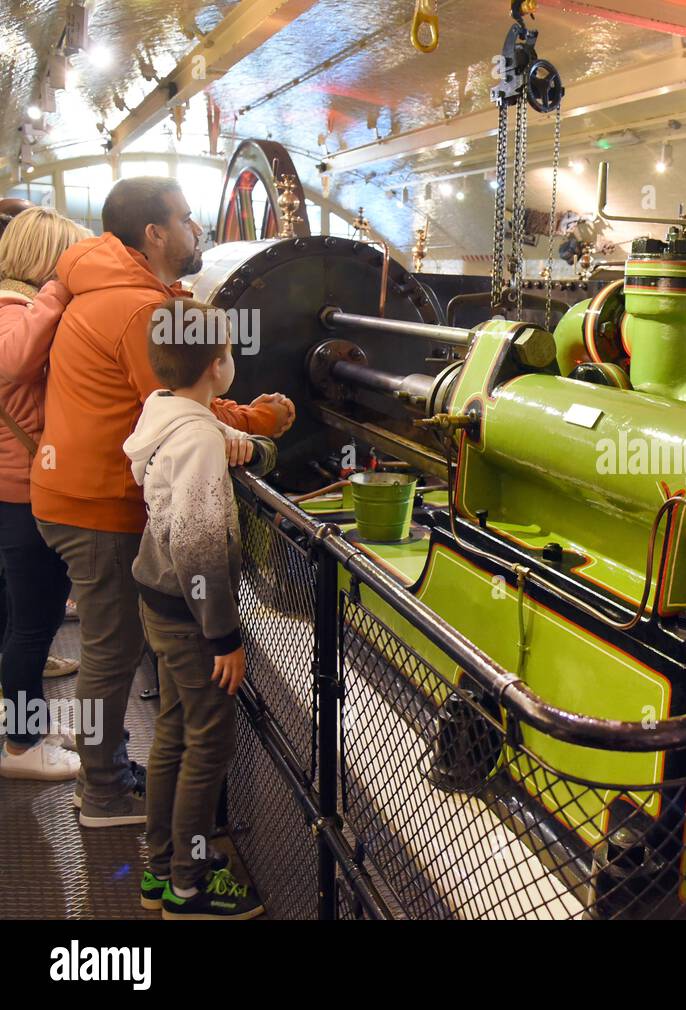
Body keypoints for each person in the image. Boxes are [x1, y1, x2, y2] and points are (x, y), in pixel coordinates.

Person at [31, 177, 295, 827]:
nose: (196, 228)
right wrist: (260, 421)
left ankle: (107, 770)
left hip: (74, 490)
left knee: (109, 650)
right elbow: (182, 402)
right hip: (98, 504)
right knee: (110, 654)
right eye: (186, 218)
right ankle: (102, 791)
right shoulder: (139, 309)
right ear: (154, 233)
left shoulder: (113, 290)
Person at [124, 296, 264, 918]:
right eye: (229, 352)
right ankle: (190, 885)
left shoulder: (163, 412)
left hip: (158, 604)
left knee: (173, 735)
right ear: (216, 366)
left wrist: (247, 444)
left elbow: (203, 436)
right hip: (191, 619)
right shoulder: (200, 439)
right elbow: (199, 548)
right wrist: (223, 638)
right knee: (207, 749)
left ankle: (159, 870)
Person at [0, 208, 89, 780]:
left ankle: (19, 724)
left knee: (20, 620)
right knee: (32, 625)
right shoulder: (12, 309)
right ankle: (22, 746)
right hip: (20, 493)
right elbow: (15, 360)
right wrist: (58, 291)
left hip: (13, 488)